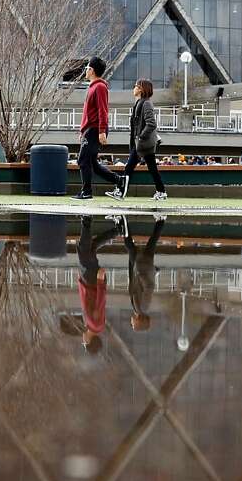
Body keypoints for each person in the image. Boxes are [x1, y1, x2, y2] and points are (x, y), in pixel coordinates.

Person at [109, 78, 166, 201]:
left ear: (141, 89)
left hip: (142, 143)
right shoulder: (140, 102)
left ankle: (120, 191)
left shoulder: (146, 103)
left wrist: (141, 137)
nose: (133, 88)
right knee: (152, 168)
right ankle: (161, 191)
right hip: (142, 143)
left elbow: (151, 123)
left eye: (136, 86)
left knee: (129, 167)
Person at [74, 57, 122, 200]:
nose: (85, 71)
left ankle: (87, 192)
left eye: (87, 68)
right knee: (92, 163)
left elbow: (103, 110)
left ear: (92, 70)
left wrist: (102, 131)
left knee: (83, 160)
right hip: (90, 129)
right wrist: (82, 131)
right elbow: (88, 113)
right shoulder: (93, 87)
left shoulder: (100, 87)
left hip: (95, 129)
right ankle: (119, 180)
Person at [72, 216, 116, 352]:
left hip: (88, 282)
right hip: (93, 282)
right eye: (84, 343)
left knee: (90, 249)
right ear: (89, 341)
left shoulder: (93, 325)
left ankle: (117, 231)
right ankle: (86, 219)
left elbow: (86, 301)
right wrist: (100, 281)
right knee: (84, 252)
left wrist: (80, 281)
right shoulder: (95, 324)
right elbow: (99, 302)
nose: (82, 340)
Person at [122, 215, 164, 331]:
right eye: (133, 325)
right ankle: (121, 220)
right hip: (141, 268)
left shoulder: (140, 309)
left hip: (141, 268)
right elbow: (149, 287)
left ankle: (160, 220)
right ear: (138, 322)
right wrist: (140, 275)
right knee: (129, 245)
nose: (131, 323)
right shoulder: (143, 308)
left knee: (150, 244)